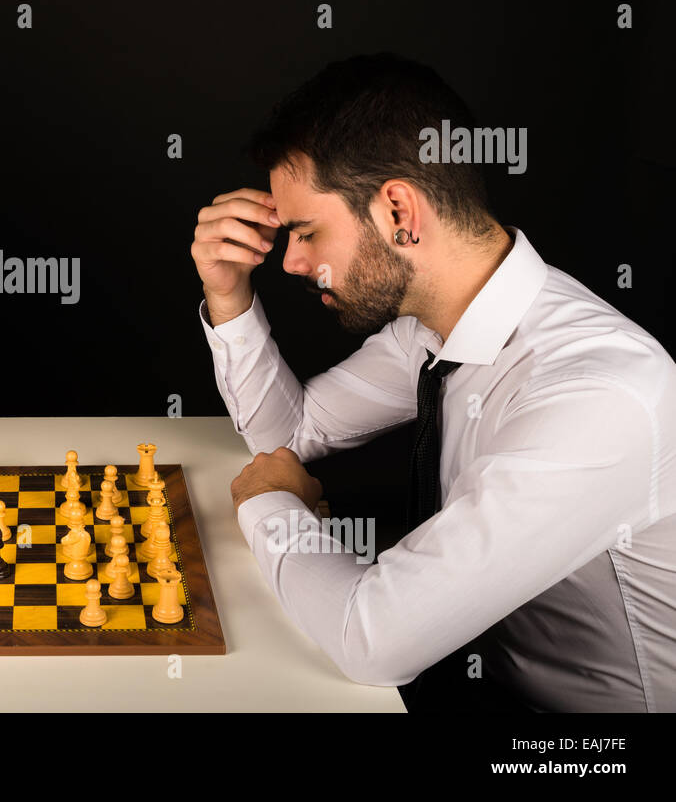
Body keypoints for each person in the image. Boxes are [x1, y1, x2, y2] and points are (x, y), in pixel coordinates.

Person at [191, 53, 676, 711]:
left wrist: (274, 510)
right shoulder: (434, 330)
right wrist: (230, 294)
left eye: (306, 232)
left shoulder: (597, 394)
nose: (294, 261)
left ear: (399, 211)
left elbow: (375, 640)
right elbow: (284, 438)